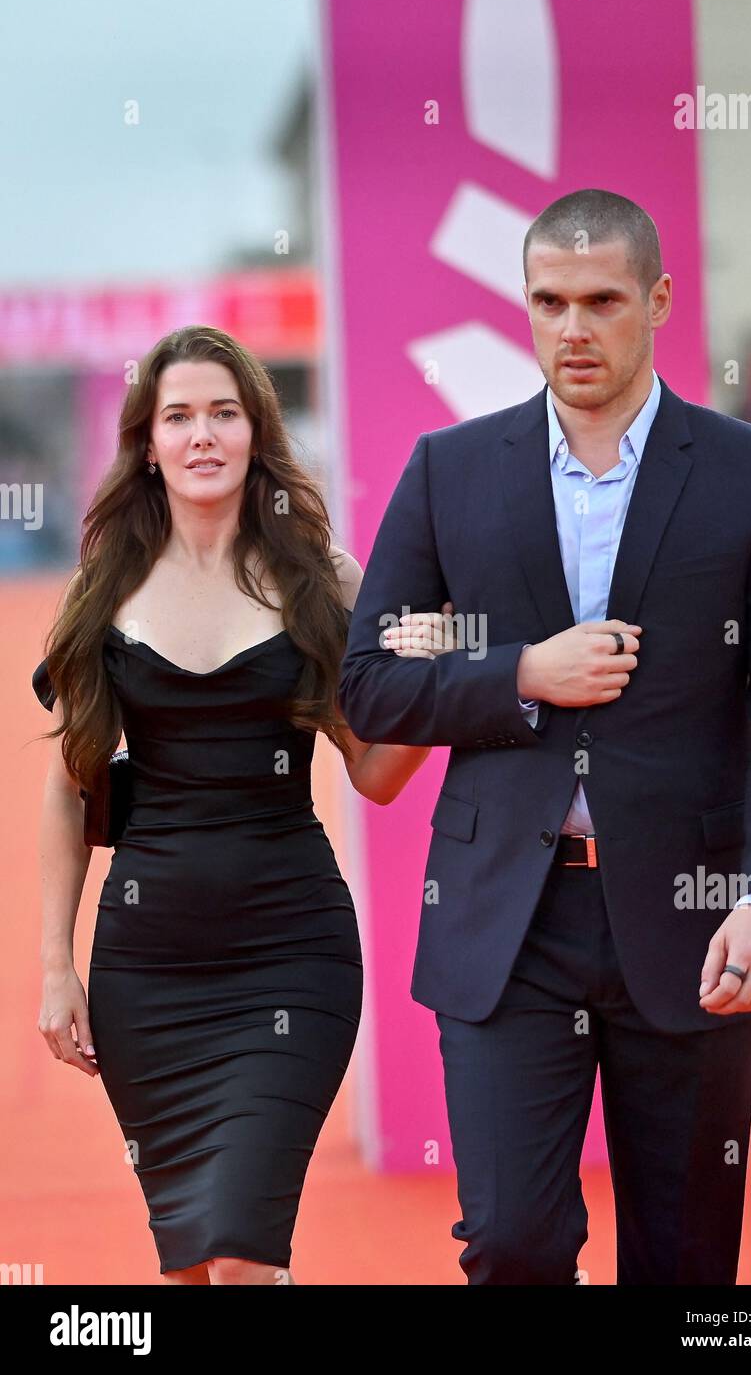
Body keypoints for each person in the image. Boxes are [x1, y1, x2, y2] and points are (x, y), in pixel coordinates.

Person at [338, 190, 751, 1285]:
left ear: (655, 301)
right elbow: (369, 690)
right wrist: (518, 674)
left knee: (682, 1259)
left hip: (695, 922)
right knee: (513, 1243)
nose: (573, 327)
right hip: (502, 927)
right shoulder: (448, 470)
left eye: (602, 300)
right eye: (548, 301)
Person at [30, 324, 452, 1286]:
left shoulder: (322, 581)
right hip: (149, 972)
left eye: (224, 412)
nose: (203, 434)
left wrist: (428, 687)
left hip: (290, 957)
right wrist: (57, 968)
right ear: (148, 442)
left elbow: (375, 774)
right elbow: (67, 795)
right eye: (178, 416)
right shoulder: (102, 594)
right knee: (188, 1262)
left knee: (244, 1257)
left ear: (258, 433)